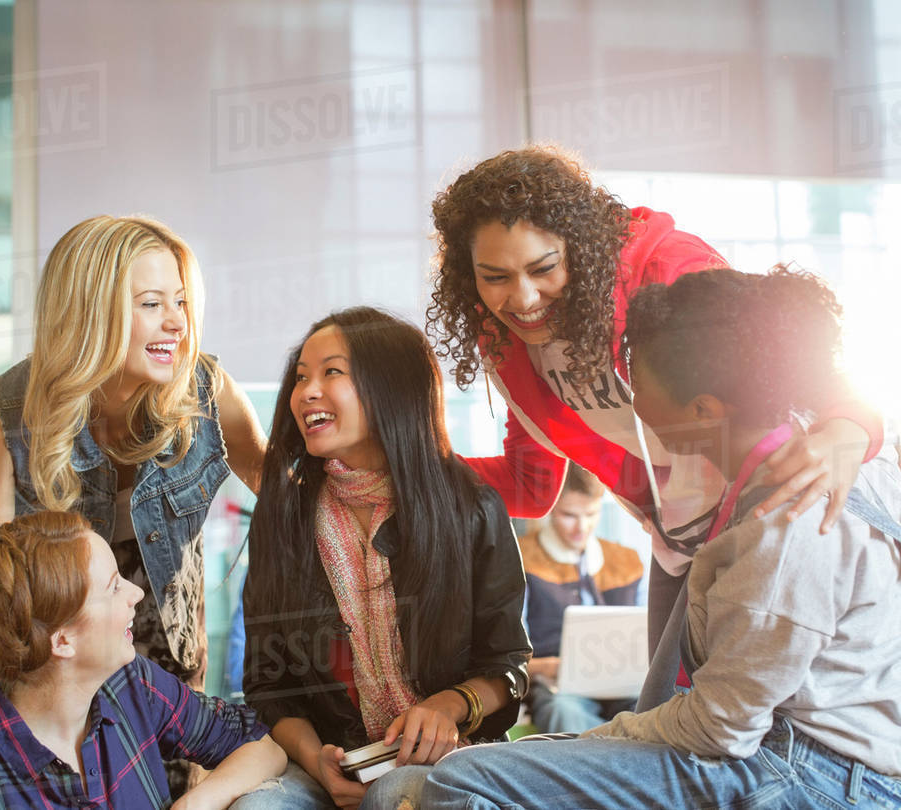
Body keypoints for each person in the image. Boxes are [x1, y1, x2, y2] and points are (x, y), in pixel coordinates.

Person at [424, 268, 901, 809]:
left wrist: (591, 742)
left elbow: (720, 727)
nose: (628, 396)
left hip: (811, 776)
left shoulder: (784, 528)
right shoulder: (816, 445)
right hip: (785, 749)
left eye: (637, 379)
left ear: (702, 410)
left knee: (459, 778)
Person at [425, 145, 883, 658]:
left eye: (544, 268)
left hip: (783, 504)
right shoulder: (507, 336)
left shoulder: (667, 268)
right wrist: (405, 470)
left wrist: (849, 428)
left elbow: (793, 350)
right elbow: (529, 486)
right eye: (495, 277)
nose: (524, 298)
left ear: (580, 245)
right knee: (673, 696)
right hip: (681, 538)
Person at [233, 307, 532, 810]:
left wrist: (447, 708)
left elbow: (508, 665)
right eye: (301, 377)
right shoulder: (284, 514)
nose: (306, 392)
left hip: (452, 756)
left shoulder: (471, 507)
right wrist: (319, 762)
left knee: (397, 793)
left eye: (332, 372)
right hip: (331, 762)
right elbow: (269, 685)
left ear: (391, 387)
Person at [0, 214, 266, 696]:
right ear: (90, 312)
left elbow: (294, 503)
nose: (178, 322)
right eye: (152, 303)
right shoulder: (3, 412)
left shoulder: (208, 392)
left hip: (174, 690)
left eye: (181, 302)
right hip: (54, 689)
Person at [0, 510, 286, 809]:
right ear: (62, 640)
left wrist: (194, 804)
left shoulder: (130, 685)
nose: (136, 593)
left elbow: (262, 746)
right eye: (113, 587)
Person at [520, 462, 643, 734]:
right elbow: (508, 657)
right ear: (551, 508)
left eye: (591, 514)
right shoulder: (522, 560)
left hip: (622, 684)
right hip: (556, 684)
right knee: (564, 711)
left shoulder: (629, 561)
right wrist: (551, 668)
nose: (582, 527)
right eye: (569, 515)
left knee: (650, 707)